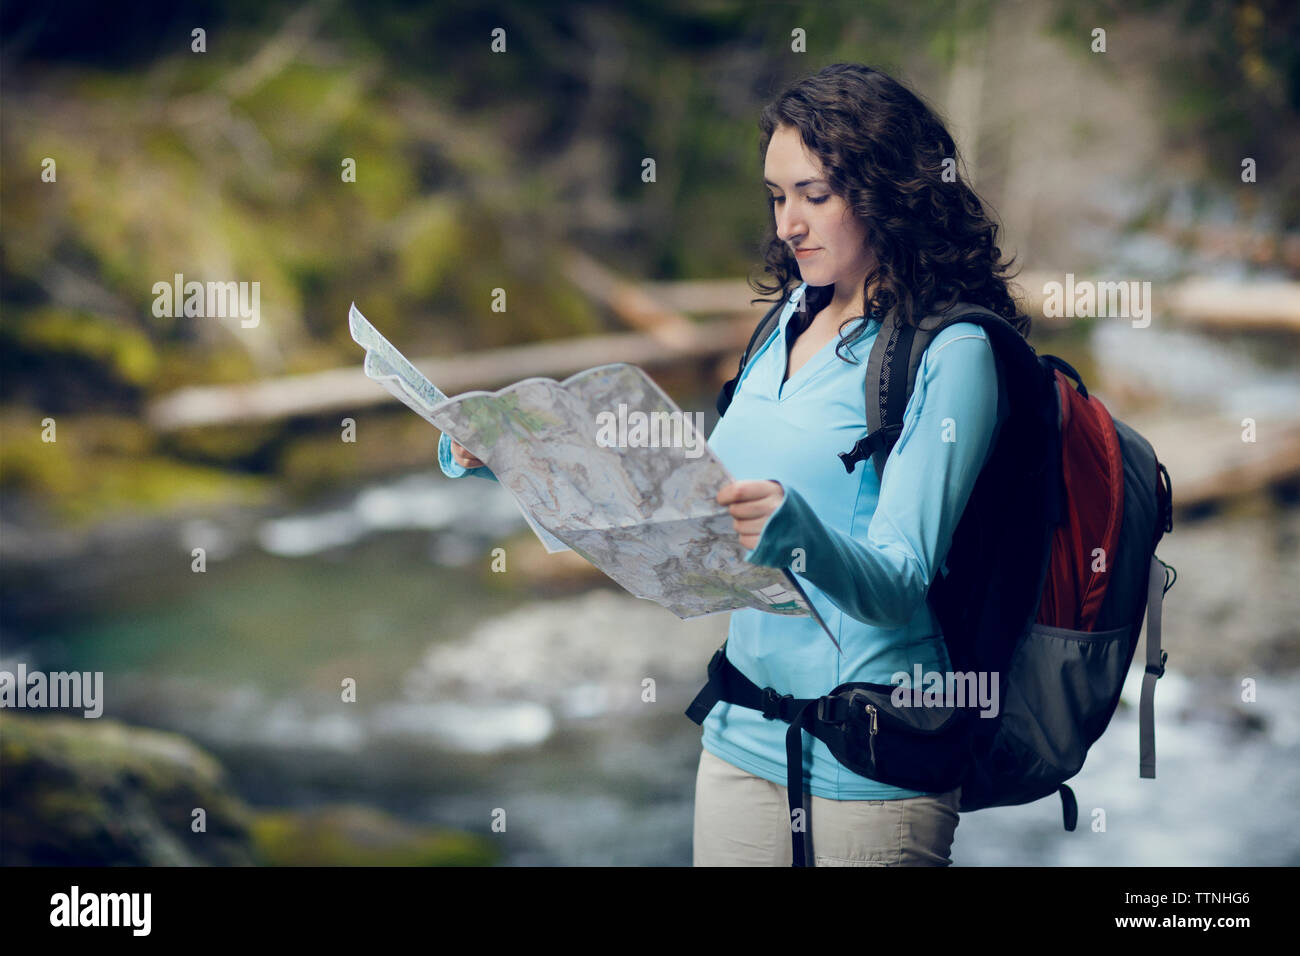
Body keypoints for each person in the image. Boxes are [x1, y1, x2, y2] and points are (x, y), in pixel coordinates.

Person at [441, 61, 1029, 867]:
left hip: (875, 762)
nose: (789, 223)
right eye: (777, 196)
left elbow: (900, 581)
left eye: (814, 195)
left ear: (891, 190)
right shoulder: (788, 315)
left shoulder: (953, 354)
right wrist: (512, 451)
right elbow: (690, 489)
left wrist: (797, 532)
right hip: (738, 737)